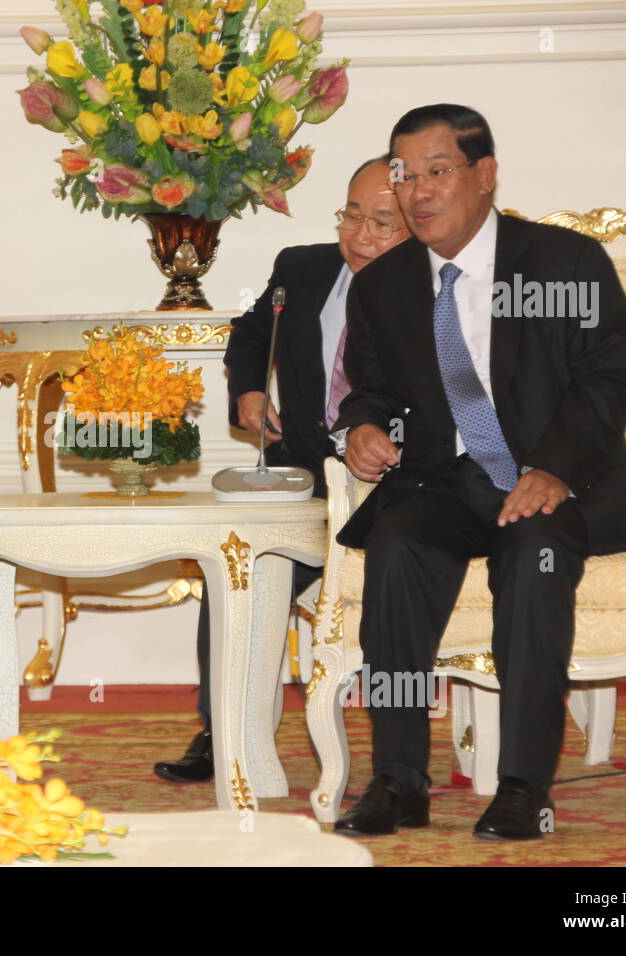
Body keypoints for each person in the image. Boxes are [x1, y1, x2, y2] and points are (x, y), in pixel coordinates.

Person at [330, 104, 626, 840]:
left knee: (533, 558)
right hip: (448, 482)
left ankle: (523, 786)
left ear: (484, 175)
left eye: (437, 172)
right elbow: (375, 387)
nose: (418, 192)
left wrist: (553, 468)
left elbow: (608, 380)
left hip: (555, 483)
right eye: (404, 175)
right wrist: (361, 426)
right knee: (398, 544)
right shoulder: (384, 286)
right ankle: (398, 780)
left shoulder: (562, 262)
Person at [154, 156, 410, 783]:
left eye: (383, 223)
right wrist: (247, 390)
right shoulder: (302, 267)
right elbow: (249, 334)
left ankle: (396, 762)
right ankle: (223, 731)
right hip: (304, 481)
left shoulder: (434, 291)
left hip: (396, 489)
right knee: (234, 572)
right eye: (352, 215)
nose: (360, 235)